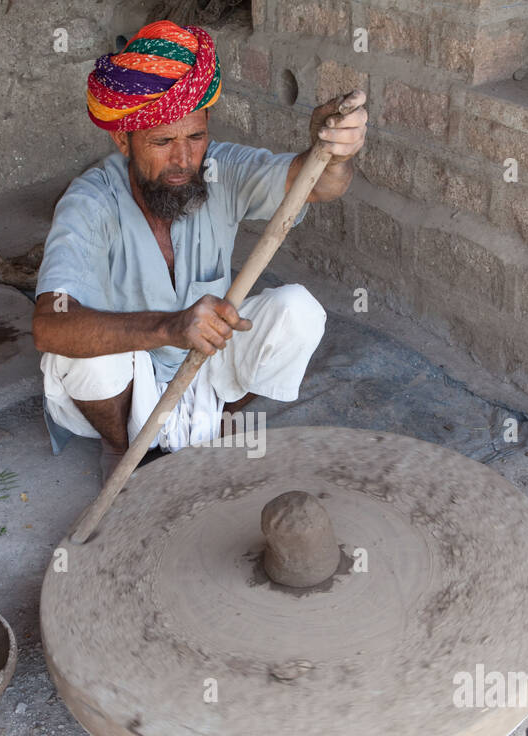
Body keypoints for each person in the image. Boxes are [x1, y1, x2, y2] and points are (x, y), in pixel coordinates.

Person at [32, 19, 367, 480]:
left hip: (203, 367)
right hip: (130, 381)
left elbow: (315, 184)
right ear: (121, 139)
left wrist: (332, 153)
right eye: (162, 142)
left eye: (194, 136)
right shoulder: (91, 201)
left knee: (299, 311)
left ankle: (219, 421)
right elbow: (50, 325)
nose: (184, 161)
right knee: (77, 349)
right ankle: (122, 446)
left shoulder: (218, 169)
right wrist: (168, 327)